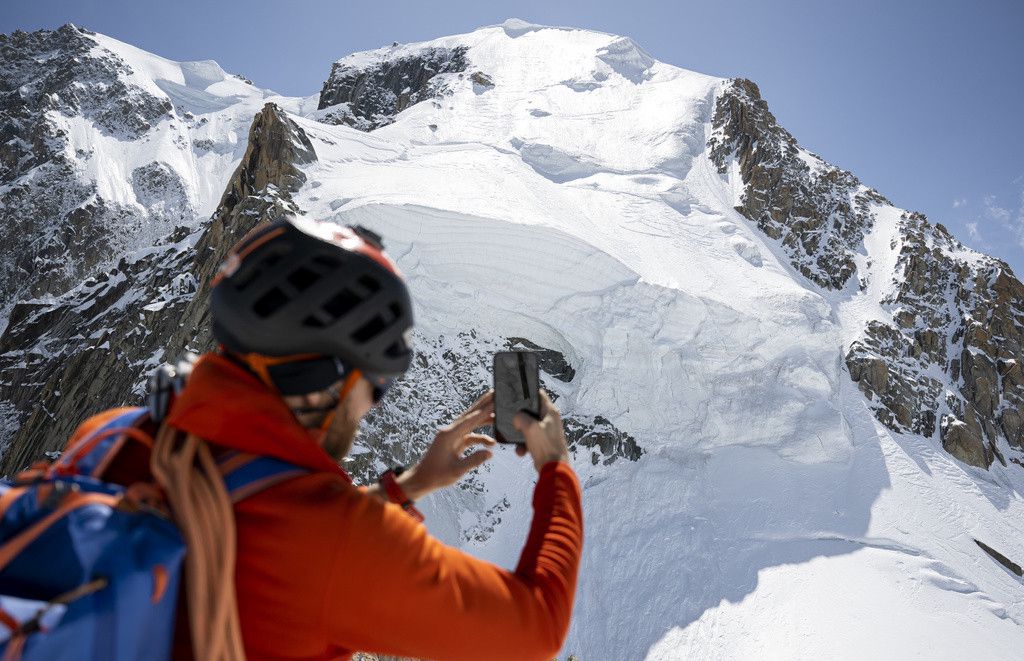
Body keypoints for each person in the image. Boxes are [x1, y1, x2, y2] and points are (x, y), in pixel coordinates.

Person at [102, 215, 582, 661]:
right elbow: (536, 627)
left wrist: (408, 487)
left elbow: (261, 513)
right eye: (375, 384)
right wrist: (555, 466)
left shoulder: (112, 437)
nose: (373, 405)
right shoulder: (332, 544)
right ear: (325, 384)